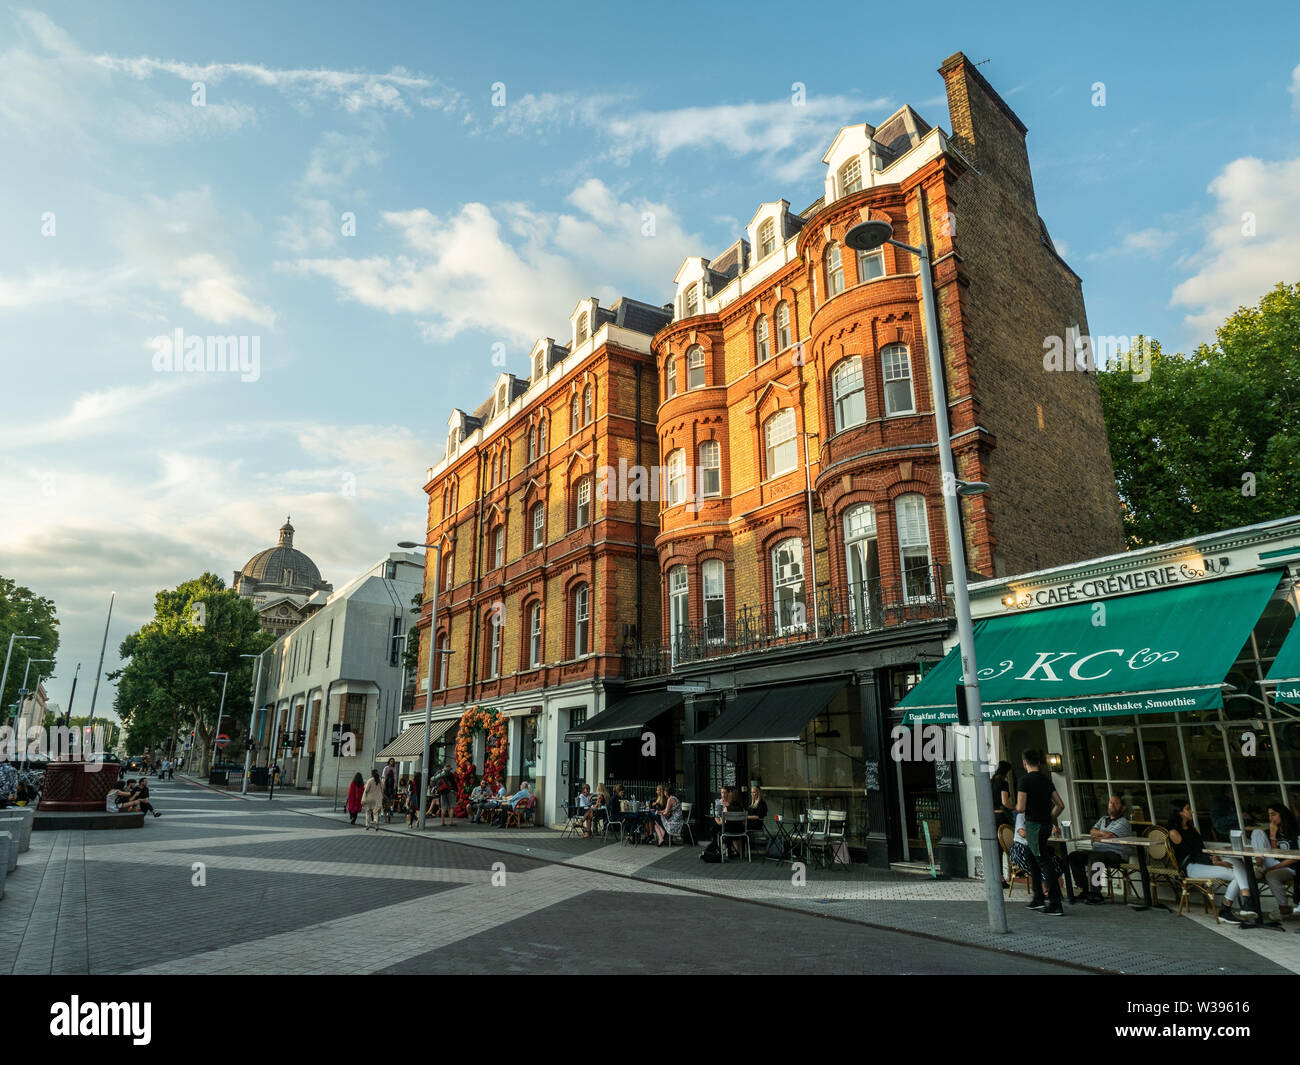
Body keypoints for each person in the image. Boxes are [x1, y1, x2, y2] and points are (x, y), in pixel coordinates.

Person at [1167, 798, 1254, 925]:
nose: (1192, 811)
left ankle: (1240, 903)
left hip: (1203, 861)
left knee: (1236, 863)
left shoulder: (1193, 829)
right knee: (1239, 874)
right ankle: (1235, 906)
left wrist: (1214, 857)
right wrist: (1216, 862)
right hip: (1191, 867)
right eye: (1188, 809)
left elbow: (1201, 849)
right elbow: (1190, 855)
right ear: (1179, 812)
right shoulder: (1174, 832)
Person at [1016, 749, 1064, 916]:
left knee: (1043, 861)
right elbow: (1060, 804)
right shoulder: (1045, 780)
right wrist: (1049, 817)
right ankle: (1038, 897)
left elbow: (1021, 807)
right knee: (1031, 856)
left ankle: (1055, 902)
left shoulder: (1024, 781)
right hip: (1045, 824)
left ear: (1024, 762)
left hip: (1034, 825)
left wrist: (1015, 808)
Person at [1067, 795, 1133, 904]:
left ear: (1123, 808)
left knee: (1096, 857)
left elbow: (1110, 835)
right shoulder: (1103, 819)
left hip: (1116, 854)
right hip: (1098, 852)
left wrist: (1097, 837)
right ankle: (1085, 889)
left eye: (1116, 803)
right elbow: (1092, 831)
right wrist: (1101, 834)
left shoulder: (1123, 822)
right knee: (1075, 856)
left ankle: (1096, 894)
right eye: (1110, 802)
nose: (1112, 805)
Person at [1251, 802, 1298, 917]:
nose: (1270, 818)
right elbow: (1275, 854)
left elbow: (1295, 859)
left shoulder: (1295, 831)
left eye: (1273, 814)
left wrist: (1272, 868)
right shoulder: (1273, 831)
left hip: (1290, 867)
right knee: (1257, 832)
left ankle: (1284, 908)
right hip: (1273, 862)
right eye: (1269, 815)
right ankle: (1259, 867)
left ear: (1282, 814)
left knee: (1271, 875)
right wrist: (1272, 835)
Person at [991, 761, 1016, 829]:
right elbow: (1004, 802)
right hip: (1002, 815)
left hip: (993, 815)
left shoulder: (990, 782)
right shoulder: (1003, 783)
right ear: (1005, 771)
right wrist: (1014, 808)